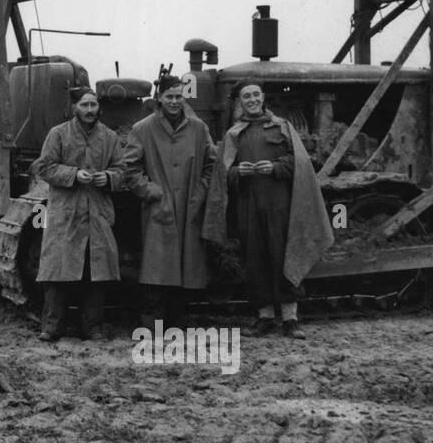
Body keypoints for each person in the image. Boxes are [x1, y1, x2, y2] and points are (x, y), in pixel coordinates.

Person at [202, 80, 333, 338]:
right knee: (255, 258)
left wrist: (274, 168)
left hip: (280, 205)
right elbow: (223, 174)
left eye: (255, 95)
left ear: (263, 98)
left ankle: (290, 318)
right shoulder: (234, 134)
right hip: (248, 205)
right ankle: (264, 317)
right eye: (245, 96)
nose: (251, 99)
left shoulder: (283, 127)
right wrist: (240, 171)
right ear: (240, 101)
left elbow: (299, 163)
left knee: (284, 252)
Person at [31, 85, 128, 342]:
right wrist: (74, 175)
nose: (89, 110)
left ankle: (92, 327)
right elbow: (45, 167)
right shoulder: (58, 134)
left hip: (98, 212)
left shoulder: (109, 138)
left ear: (99, 108)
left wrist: (106, 178)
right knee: (57, 271)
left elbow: (122, 171)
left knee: (95, 272)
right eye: (84, 105)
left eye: (93, 105)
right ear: (74, 107)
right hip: (65, 212)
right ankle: (52, 326)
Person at [121, 74, 216, 328]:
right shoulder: (142, 129)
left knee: (185, 267)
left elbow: (212, 164)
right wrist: (150, 192)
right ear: (159, 99)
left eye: (179, 96)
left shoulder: (199, 128)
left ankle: (177, 321)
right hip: (158, 206)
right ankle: (152, 324)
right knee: (156, 269)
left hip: (189, 205)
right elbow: (129, 169)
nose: (174, 102)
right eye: (169, 97)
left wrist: (200, 192)